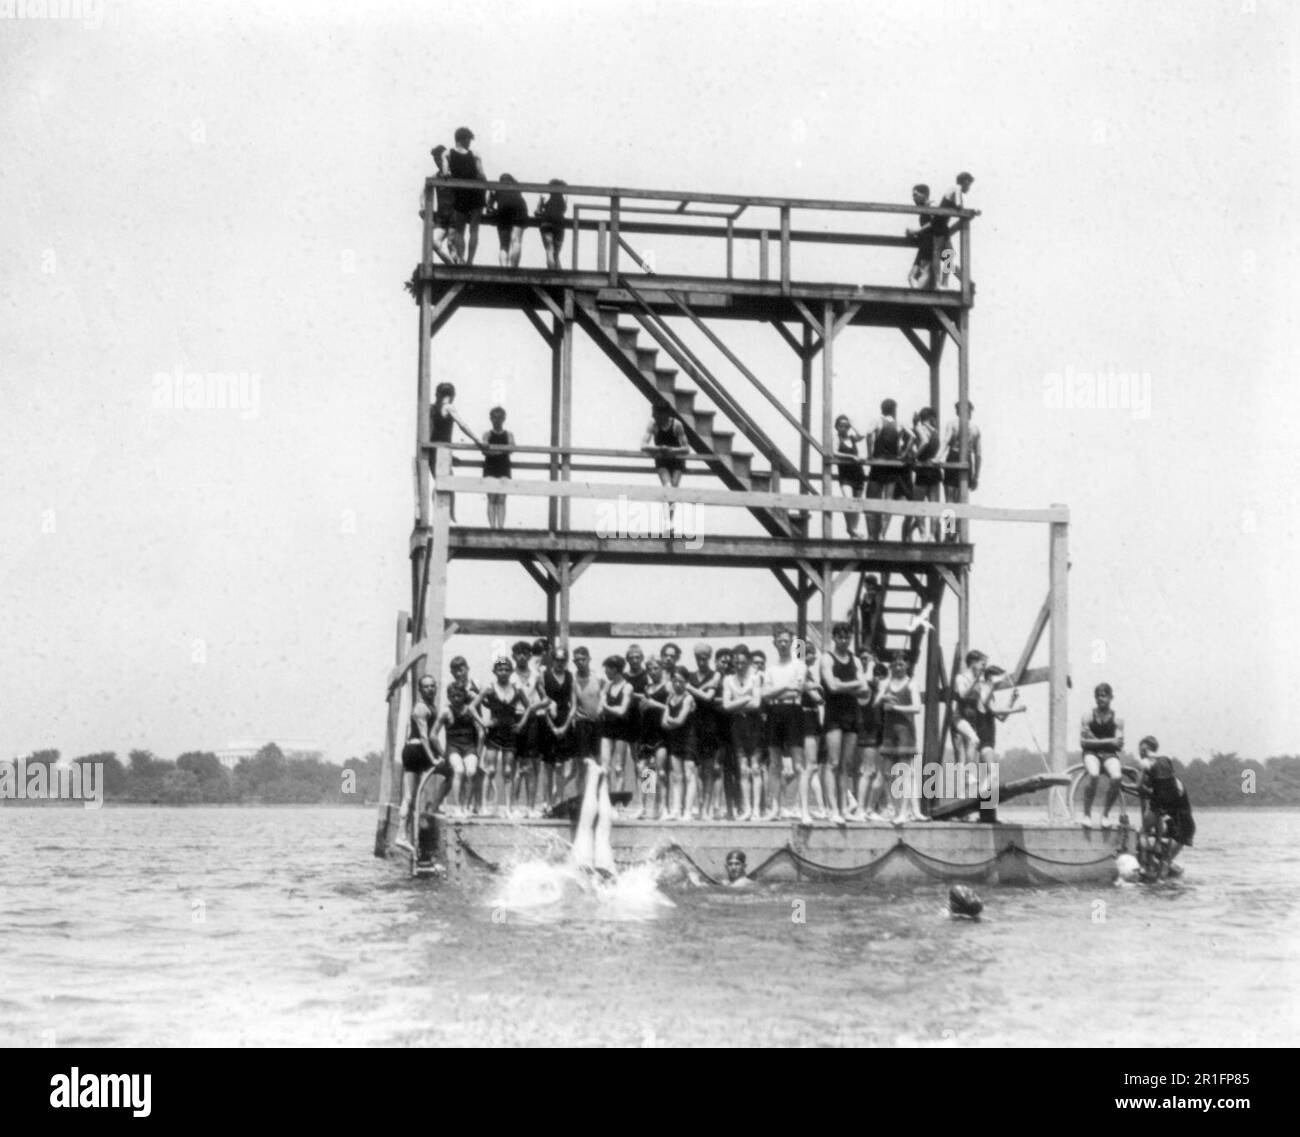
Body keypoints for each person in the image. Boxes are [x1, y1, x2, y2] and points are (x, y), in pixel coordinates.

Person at [393, 674, 447, 853]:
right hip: (416, 751)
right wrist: (433, 759)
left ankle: (405, 833)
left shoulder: (432, 706)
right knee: (409, 796)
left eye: (433, 686)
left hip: (416, 751)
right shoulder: (421, 708)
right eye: (426, 687)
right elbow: (424, 737)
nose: (430, 689)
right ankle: (402, 834)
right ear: (420, 690)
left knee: (411, 796)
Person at [470, 656, 527, 817]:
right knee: (491, 770)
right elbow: (472, 707)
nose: (503, 672)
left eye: (507, 669)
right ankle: (484, 806)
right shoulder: (489, 688)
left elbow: (529, 708)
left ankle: (508, 807)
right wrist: (482, 722)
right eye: (500, 669)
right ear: (495, 671)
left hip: (510, 733)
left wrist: (521, 723)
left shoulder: (517, 689)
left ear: (511, 671)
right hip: (494, 734)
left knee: (508, 771)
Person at [760, 628, 805, 821]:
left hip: (793, 712)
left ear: (792, 642)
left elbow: (797, 691)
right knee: (774, 763)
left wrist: (776, 691)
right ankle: (775, 809)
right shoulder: (770, 668)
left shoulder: (799, 665)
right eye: (780, 641)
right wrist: (786, 686)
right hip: (774, 713)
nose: (784, 644)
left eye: (787, 641)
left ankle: (803, 810)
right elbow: (764, 694)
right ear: (775, 643)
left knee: (798, 764)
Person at [820, 623, 861, 825]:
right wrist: (852, 684)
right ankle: (832, 808)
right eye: (841, 637)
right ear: (834, 638)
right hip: (834, 714)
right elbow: (831, 687)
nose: (845, 641)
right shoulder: (827, 658)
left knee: (845, 764)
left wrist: (844, 685)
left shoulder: (856, 660)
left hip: (852, 714)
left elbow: (863, 687)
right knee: (833, 762)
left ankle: (844, 807)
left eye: (848, 637)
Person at [1136, 736, 1194, 875]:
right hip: (1176, 803)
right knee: (1184, 832)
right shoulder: (1166, 759)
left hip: (1158, 803)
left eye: (1140, 749)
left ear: (1144, 748)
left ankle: (1145, 865)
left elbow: (1139, 786)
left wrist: (1140, 783)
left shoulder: (1144, 762)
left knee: (1144, 831)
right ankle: (1163, 862)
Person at [880, 653, 926, 824]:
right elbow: (875, 701)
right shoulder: (886, 683)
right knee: (886, 773)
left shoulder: (911, 683)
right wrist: (882, 698)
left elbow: (917, 708)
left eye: (901, 664)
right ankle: (894, 807)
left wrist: (895, 706)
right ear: (891, 666)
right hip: (889, 733)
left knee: (905, 773)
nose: (898, 667)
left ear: (907, 666)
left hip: (905, 732)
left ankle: (904, 812)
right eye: (895, 664)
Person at [722, 644, 763, 822]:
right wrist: (746, 698)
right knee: (742, 769)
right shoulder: (728, 679)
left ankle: (755, 810)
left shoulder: (755, 677)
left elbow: (756, 704)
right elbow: (725, 706)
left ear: (748, 661)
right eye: (736, 662)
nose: (739, 665)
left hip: (753, 726)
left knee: (754, 768)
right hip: (737, 726)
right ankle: (650, 808)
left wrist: (737, 702)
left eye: (743, 662)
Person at [429, 382, 480, 522]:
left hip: (436, 451)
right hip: (441, 451)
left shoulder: (432, 409)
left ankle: (447, 515)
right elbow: (462, 425)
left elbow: (433, 432)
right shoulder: (448, 407)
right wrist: (478, 441)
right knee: (445, 482)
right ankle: (447, 515)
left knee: (443, 482)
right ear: (452, 396)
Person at [864, 399, 914, 541]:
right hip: (893, 467)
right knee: (888, 502)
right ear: (894, 410)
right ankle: (882, 534)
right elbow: (913, 437)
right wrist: (903, 455)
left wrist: (869, 453)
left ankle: (872, 535)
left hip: (879, 465)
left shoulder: (878, 421)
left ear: (882, 409)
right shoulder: (899, 424)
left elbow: (868, 434)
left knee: (872, 500)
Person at [685, 643, 723, 820]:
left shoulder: (714, 675)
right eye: (698, 657)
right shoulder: (684, 676)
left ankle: (705, 808)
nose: (701, 660)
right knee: (649, 769)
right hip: (669, 727)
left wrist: (689, 688)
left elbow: (707, 697)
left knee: (706, 771)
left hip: (706, 727)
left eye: (705, 657)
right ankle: (653, 806)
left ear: (709, 657)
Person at [1080, 682, 1126, 829]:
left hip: (1108, 754)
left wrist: (1094, 740)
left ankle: (1105, 814)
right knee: (1093, 774)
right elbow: (1083, 743)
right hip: (1091, 753)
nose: (1101, 699)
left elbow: (1118, 745)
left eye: (1104, 696)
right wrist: (1109, 741)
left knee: (1117, 777)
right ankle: (1087, 814)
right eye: (1099, 696)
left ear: (1111, 697)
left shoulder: (1118, 720)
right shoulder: (1088, 716)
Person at [433, 681, 482, 817]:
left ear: (464, 696)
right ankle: (458, 807)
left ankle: (466, 805)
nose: (456, 699)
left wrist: (478, 751)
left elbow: (481, 730)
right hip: (453, 747)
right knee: (459, 770)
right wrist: (442, 753)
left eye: (459, 695)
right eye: (453, 696)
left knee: (471, 772)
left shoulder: (470, 710)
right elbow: (433, 735)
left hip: (469, 746)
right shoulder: (445, 711)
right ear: (449, 697)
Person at [537, 646, 576, 813]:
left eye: (563, 660)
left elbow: (574, 704)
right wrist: (552, 726)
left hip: (629, 729)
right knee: (549, 766)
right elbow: (543, 702)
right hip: (549, 723)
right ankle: (548, 802)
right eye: (557, 660)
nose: (560, 663)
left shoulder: (571, 676)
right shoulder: (543, 675)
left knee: (644, 767)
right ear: (552, 660)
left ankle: (649, 805)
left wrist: (565, 726)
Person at [642, 404, 690, 527]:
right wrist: (659, 448)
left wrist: (672, 450)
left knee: (673, 489)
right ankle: (667, 522)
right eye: (654, 415)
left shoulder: (676, 425)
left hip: (676, 461)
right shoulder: (653, 424)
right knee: (668, 487)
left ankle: (669, 521)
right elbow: (643, 446)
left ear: (665, 414)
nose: (654, 418)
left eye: (656, 415)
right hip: (662, 460)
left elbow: (686, 449)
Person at [635, 657, 671, 819]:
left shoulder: (668, 687)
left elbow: (671, 708)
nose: (653, 671)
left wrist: (653, 704)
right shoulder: (646, 687)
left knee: (661, 772)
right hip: (646, 732)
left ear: (662, 669)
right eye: (650, 669)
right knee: (645, 770)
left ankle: (663, 807)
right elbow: (643, 709)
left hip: (661, 733)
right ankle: (647, 806)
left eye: (656, 668)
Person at [447, 126, 487, 265]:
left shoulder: (448, 153)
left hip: (461, 193)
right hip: (476, 192)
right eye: (469, 140)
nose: (470, 143)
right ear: (463, 139)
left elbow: (446, 172)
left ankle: (461, 259)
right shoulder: (474, 154)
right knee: (474, 229)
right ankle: (470, 261)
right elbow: (482, 175)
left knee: (459, 230)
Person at [598, 655, 635, 802]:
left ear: (616, 669)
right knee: (606, 768)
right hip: (610, 729)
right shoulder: (608, 686)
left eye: (607, 668)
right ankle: (609, 802)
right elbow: (601, 707)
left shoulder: (630, 686)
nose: (605, 672)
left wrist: (606, 706)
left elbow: (622, 710)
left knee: (645, 768)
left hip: (634, 730)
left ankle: (651, 806)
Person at [941, 401, 981, 537]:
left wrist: (937, 458)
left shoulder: (952, 424)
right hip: (966, 459)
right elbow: (979, 455)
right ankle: (955, 532)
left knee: (950, 499)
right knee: (960, 499)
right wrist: (976, 476)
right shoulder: (975, 428)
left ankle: (950, 533)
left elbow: (945, 442)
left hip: (954, 456)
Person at [662, 666, 696, 821]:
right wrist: (671, 721)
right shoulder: (668, 696)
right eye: (674, 681)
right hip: (665, 737)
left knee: (688, 774)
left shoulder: (687, 698)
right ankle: (651, 807)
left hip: (686, 738)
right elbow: (664, 722)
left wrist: (670, 720)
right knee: (647, 770)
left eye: (680, 681)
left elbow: (679, 720)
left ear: (686, 682)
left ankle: (686, 810)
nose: (677, 684)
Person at [903, 407, 941, 542]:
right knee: (936, 506)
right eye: (935, 418)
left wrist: (915, 457)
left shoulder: (921, 429)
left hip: (923, 471)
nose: (936, 421)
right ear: (930, 418)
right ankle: (933, 535)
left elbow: (924, 442)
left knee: (917, 505)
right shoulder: (935, 431)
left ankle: (924, 534)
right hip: (934, 471)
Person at [570, 646, 603, 797]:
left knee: (616, 766)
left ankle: (652, 804)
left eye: (583, 659)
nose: (580, 663)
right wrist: (565, 726)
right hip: (583, 724)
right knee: (583, 765)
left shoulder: (600, 678)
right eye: (576, 660)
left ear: (589, 659)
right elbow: (573, 705)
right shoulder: (573, 680)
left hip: (610, 726)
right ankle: (583, 798)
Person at [934, 172, 974, 287]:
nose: (969, 188)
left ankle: (944, 282)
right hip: (938, 225)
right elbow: (958, 205)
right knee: (938, 254)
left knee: (949, 255)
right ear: (964, 182)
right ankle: (939, 282)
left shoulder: (958, 190)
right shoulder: (956, 188)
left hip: (943, 226)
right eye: (968, 184)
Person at [481, 406, 515, 529]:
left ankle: (500, 526)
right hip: (490, 467)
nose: (497, 420)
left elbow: (512, 449)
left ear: (504, 419)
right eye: (494, 418)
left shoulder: (508, 434)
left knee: (501, 498)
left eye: (500, 417)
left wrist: (494, 450)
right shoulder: (487, 434)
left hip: (504, 468)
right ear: (491, 419)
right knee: (491, 497)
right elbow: (484, 451)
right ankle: (492, 526)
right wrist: (502, 451)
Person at [423, 145, 458, 264]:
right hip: (442, 216)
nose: (437, 162)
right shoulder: (436, 176)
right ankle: (454, 268)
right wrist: (423, 206)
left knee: (451, 245)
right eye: (435, 160)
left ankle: (458, 271)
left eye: (439, 159)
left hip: (455, 214)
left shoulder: (455, 175)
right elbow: (423, 192)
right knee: (433, 243)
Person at [834, 414, 867, 538]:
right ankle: (850, 528)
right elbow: (834, 452)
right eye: (841, 426)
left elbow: (863, 435)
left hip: (858, 474)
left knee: (857, 504)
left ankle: (854, 530)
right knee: (848, 501)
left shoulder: (852, 438)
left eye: (846, 426)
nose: (843, 428)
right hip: (846, 476)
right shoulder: (837, 438)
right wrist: (851, 456)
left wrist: (852, 423)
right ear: (836, 427)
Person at [487, 173, 529, 269]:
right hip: (520, 208)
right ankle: (513, 268)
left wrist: (492, 211)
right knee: (516, 241)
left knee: (503, 245)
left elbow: (489, 206)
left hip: (503, 209)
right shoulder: (517, 187)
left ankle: (503, 268)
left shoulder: (496, 187)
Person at [905, 183, 936, 288]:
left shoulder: (931, 206)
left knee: (925, 272)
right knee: (911, 277)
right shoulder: (924, 210)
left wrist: (916, 231)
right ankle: (918, 294)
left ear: (925, 195)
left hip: (931, 243)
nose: (913, 198)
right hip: (926, 243)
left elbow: (935, 223)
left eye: (915, 194)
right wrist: (914, 235)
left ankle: (920, 294)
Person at [535, 179, 568, 270]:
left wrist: (539, 212)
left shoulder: (544, 195)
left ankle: (552, 273)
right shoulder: (564, 196)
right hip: (559, 222)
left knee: (549, 250)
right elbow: (564, 209)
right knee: (556, 253)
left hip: (546, 222)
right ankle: (559, 275)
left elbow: (537, 211)